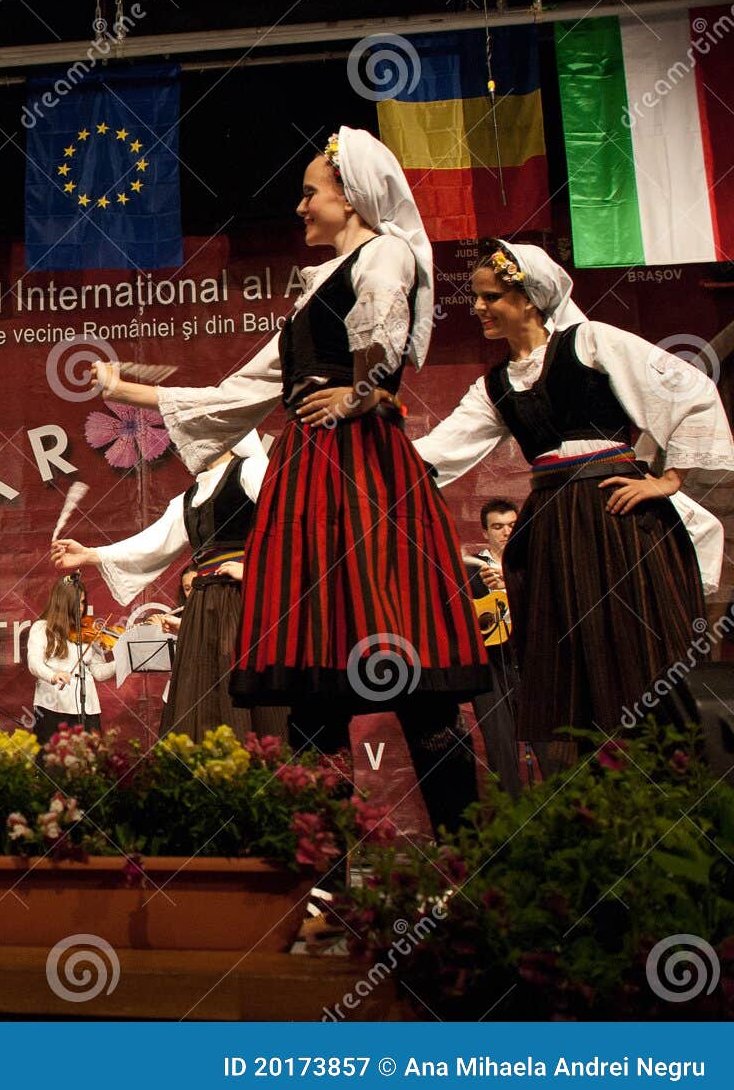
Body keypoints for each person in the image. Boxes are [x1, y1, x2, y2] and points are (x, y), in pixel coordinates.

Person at [93, 127, 488, 834]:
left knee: (407, 660)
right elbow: (234, 393)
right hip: (310, 483)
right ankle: (320, 871)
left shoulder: (384, 253)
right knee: (316, 678)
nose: (301, 207)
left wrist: (361, 392)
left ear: (352, 196)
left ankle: (470, 857)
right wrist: (126, 388)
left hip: (363, 472)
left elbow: (385, 333)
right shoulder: (310, 303)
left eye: (311, 192)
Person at [413, 240, 732, 761]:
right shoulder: (496, 384)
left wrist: (668, 479)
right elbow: (439, 451)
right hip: (554, 525)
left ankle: (681, 791)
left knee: (639, 658)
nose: (477, 308)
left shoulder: (591, 342)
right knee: (573, 668)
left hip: (615, 517)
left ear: (530, 300)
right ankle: (595, 801)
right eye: (476, 297)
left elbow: (688, 389)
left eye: (490, 297)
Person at [54, 429, 289, 738]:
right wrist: (92, 554)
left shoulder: (252, 471)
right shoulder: (189, 498)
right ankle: (207, 776)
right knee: (203, 692)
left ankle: (262, 769)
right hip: (204, 608)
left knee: (243, 689)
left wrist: (258, 571)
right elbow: (153, 543)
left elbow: (289, 525)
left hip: (244, 601)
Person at [464, 498, 526, 794]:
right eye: (497, 526)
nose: (505, 532)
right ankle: (512, 820)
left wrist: (511, 586)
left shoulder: (534, 566)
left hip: (531, 662)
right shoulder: (470, 571)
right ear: (485, 532)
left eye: (512, 525)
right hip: (490, 669)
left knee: (554, 747)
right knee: (500, 747)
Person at [25, 574, 117, 735]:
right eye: (76, 602)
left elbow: (99, 672)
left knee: (91, 758)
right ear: (62, 602)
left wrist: (124, 661)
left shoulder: (88, 631)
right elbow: (34, 663)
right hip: (52, 707)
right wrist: (53, 675)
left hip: (87, 709)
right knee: (52, 759)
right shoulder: (41, 628)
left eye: (82, 602)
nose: (81, 608)